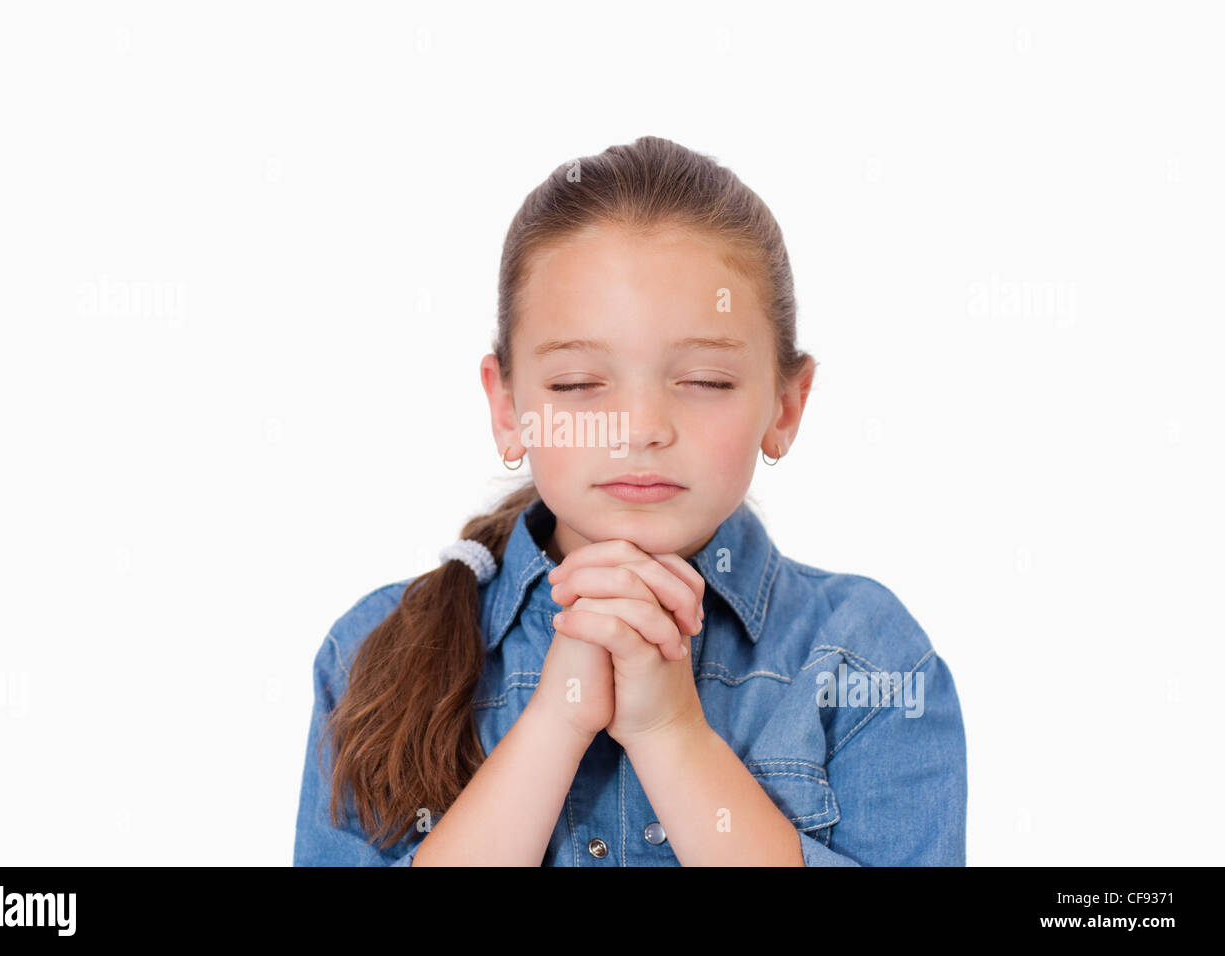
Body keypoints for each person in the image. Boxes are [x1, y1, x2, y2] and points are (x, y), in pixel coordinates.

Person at [292, 135, 966, 866]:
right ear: (509, 408)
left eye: (705, 380)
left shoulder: (868, 660)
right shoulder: (371, 652)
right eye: (579, 384)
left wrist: (671, 734)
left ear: (786, 405)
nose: (640, 429)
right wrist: (555, 722)